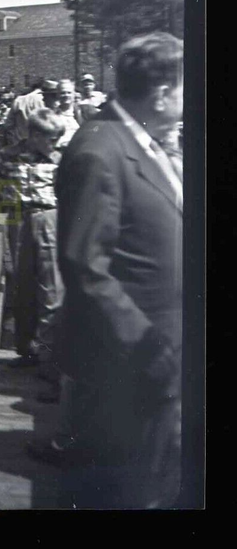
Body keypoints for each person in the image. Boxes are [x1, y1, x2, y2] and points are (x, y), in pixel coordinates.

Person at [53, 32, 183, 508]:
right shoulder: (99, 150)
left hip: (159, 352)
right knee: (132, 491)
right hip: (133, 361)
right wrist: (150, 347)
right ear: (163, 93)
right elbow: (86, 267)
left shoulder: (137, 140)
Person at [0, 107, 66, 368]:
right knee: (21, 284)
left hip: (49, 218)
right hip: (16, 220)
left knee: (51, 286)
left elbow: (71, 192)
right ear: (33, 134)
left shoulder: (59, 159)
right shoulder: (8, 155)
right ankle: (26, 349)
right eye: (51, 138)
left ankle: (49, 353)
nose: (55, 143)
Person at [53, 79, 81, 149]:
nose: (66, 95)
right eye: (63, 93)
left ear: (74, 94)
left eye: (69, 92)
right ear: (57, 95)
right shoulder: (52, 115)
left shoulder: (83, 111)